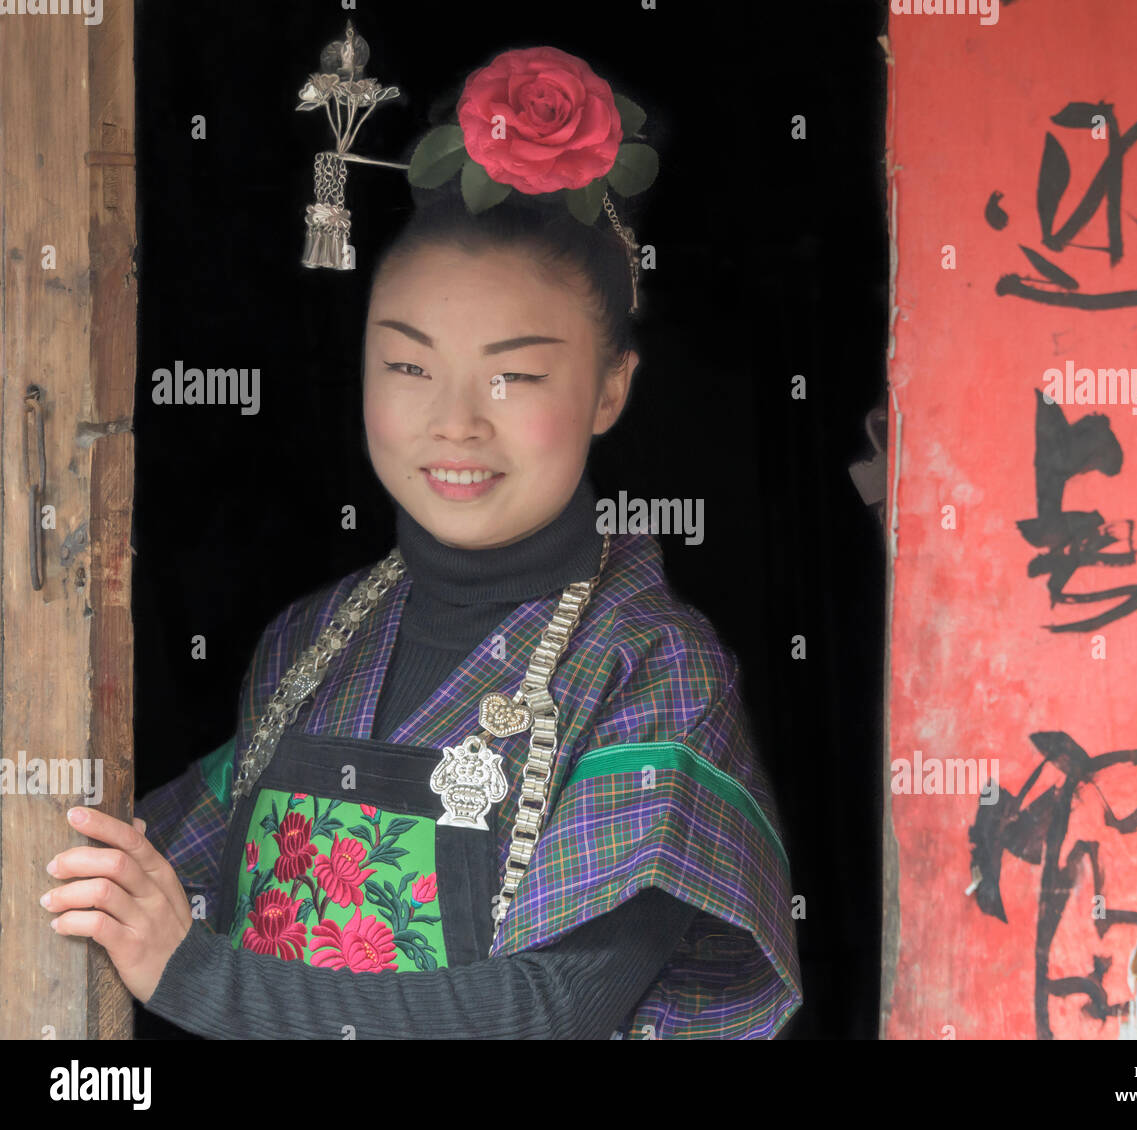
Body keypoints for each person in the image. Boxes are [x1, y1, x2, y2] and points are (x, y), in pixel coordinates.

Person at [40, 43, 802, 1040]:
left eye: (513, 377)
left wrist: (200, 978)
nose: (455, 422)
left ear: (611, 387)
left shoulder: (649, 667)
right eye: (408, 364)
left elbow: (548, 1005)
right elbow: (129, 871)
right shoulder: (310, 642)